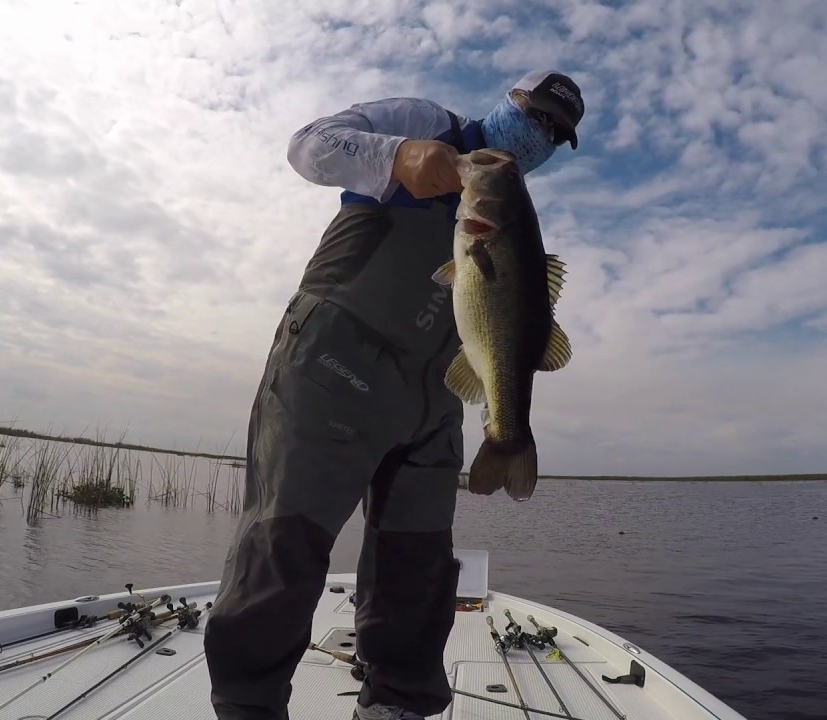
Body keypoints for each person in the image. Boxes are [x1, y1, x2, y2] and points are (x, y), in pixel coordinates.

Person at [202, 70, 586, 720]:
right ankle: (248, 707)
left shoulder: (511, 215)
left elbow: (508, 314)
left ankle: (398, 707)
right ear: (507, 100)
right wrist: (397, 156)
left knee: (419, 560)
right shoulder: (423, 122)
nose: (538, 135)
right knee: (284, 543)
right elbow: (308, 145)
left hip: (434, 395)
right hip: (331, 369)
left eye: (554, 133)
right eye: (535, 113)